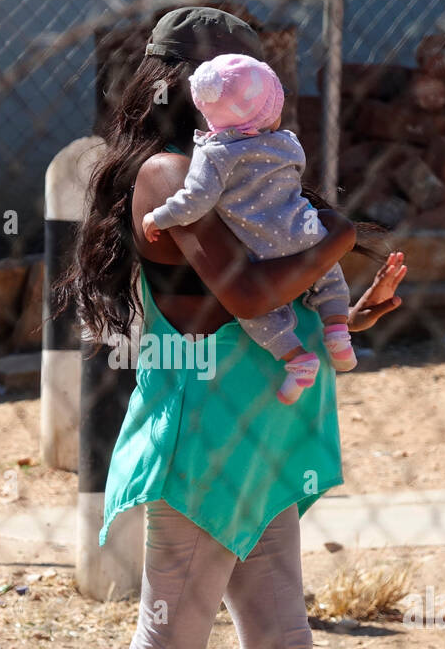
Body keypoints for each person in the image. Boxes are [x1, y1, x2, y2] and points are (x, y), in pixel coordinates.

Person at [15, 6, 437, 649]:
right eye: (237, 66)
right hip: (204, 446)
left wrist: (346, 309)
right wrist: (334, 237)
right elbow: (237, 295)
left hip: (256, 446)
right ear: (187, 84)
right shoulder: (171, 176)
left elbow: (268, 299)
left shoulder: (235, 174)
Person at [142, 51, 355, 404]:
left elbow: (196, 200)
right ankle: (337, 330)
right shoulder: (288, 143)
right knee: (329, 272)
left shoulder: (214, 154)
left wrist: (159, 216)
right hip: (302, 229)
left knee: (260, 316)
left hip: (261, 248)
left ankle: (296, 359)